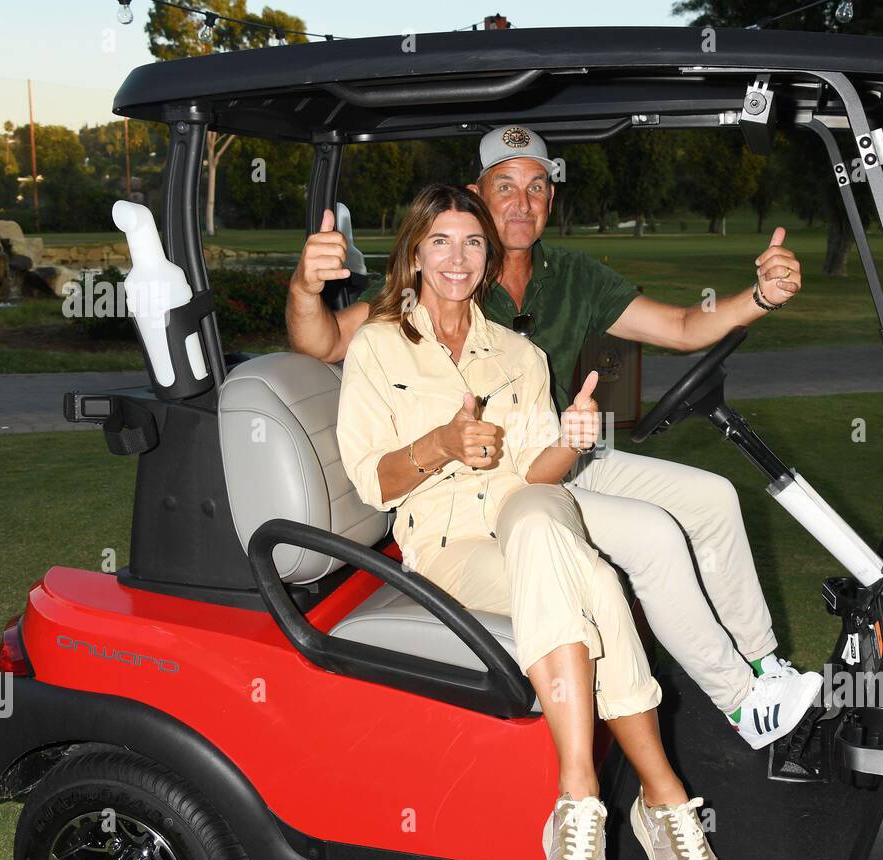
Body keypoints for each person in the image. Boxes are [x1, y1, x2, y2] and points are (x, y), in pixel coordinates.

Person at [292, 125, 823, 749]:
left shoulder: (573, 274)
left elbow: (681, 326)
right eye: (505, 187)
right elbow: (324, 341)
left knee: (713, 499)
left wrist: (761, 295)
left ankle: (762, 665)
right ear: (477, 195)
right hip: (507, 482)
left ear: (551, 198)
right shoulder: (448, 276)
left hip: (565, 451)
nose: (522, 203)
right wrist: (306, 286)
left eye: (537, 187)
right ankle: (741, 701)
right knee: (653, 539)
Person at [336, 183, 717, 860]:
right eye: (442, 242)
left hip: (524, 513)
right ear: (416, 254)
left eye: (473, 242)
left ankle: (578, 796)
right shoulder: (376, 347)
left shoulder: (520, 355)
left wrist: (570, 441)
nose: (459, 258)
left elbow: (538, 475)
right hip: (446, 546)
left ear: (488, 256)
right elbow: (374, 481)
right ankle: (663, 798)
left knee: (543, 523)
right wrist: (442, 446)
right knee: (593, 582)